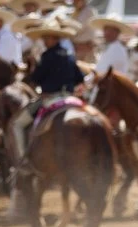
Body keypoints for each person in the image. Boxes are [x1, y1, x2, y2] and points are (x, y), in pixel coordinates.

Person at [11, 20, 84, 173]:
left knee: (17, 124)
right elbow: (79, 78)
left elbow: (36, 78)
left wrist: (32, 69)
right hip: (71, 98)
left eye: (47, 37)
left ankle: (23, 161)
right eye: (44, 37)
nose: (45, 41)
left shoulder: (47, 56)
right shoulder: (69, 55)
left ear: (55, 38)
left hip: (51, 98)